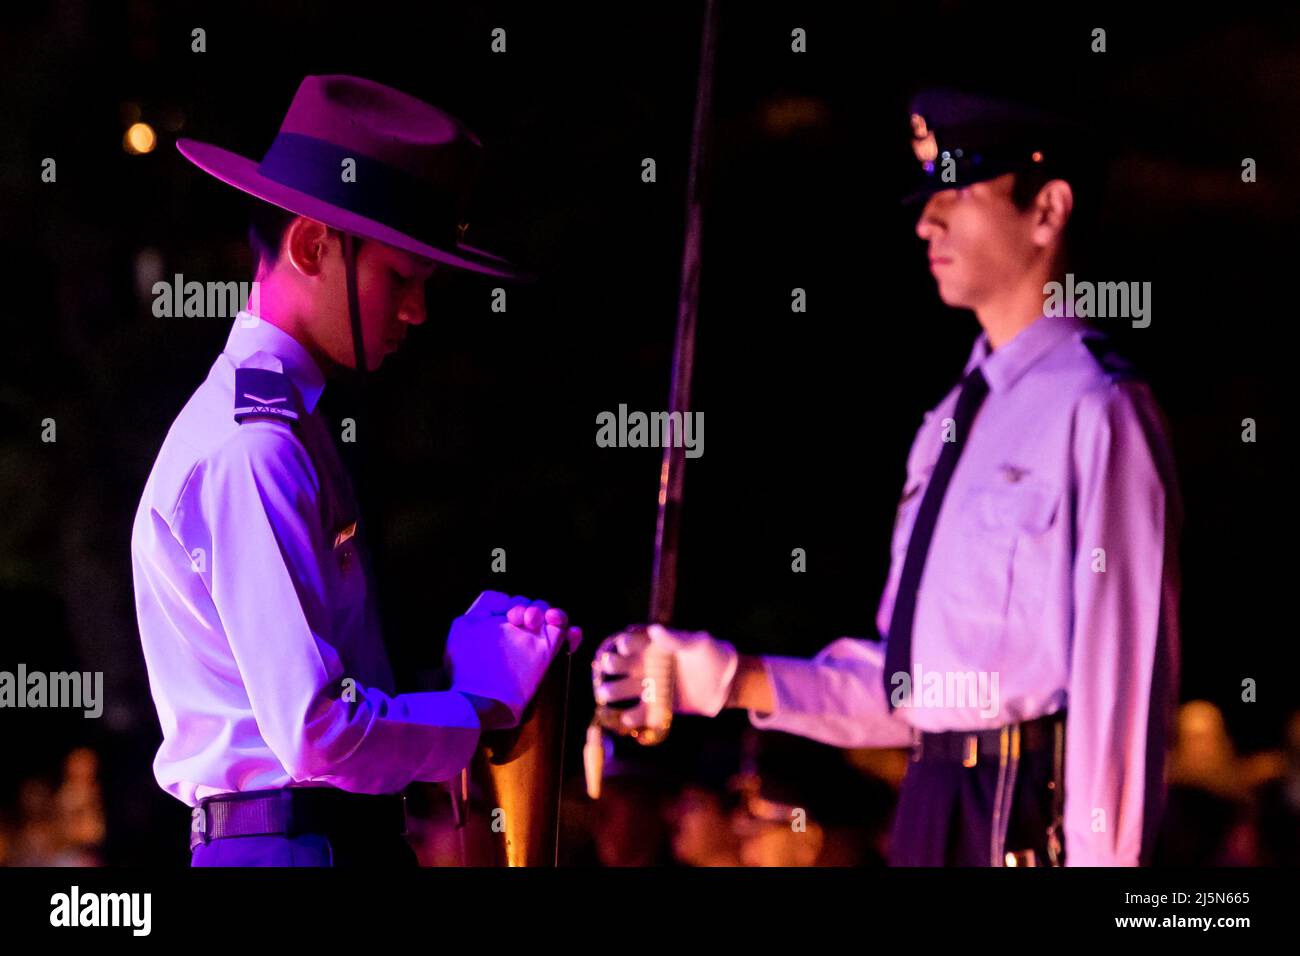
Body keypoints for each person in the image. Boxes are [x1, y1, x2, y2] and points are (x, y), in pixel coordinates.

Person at [594, 88, 1182, 867]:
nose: (926, 222)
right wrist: (729, 678)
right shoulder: (947, 424)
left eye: (957, 193)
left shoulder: (1099, 409)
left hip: (1022, 817)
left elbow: (1123, 691)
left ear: (1047, 211)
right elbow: (909, 692)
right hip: (933, 807)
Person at [131, 75, 580, 867]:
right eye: (400, 278)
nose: (417, 311)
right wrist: (480, 706)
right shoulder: (255, 445)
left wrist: (458, 667)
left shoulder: (279, 423)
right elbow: (316, 733)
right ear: (311, 245)